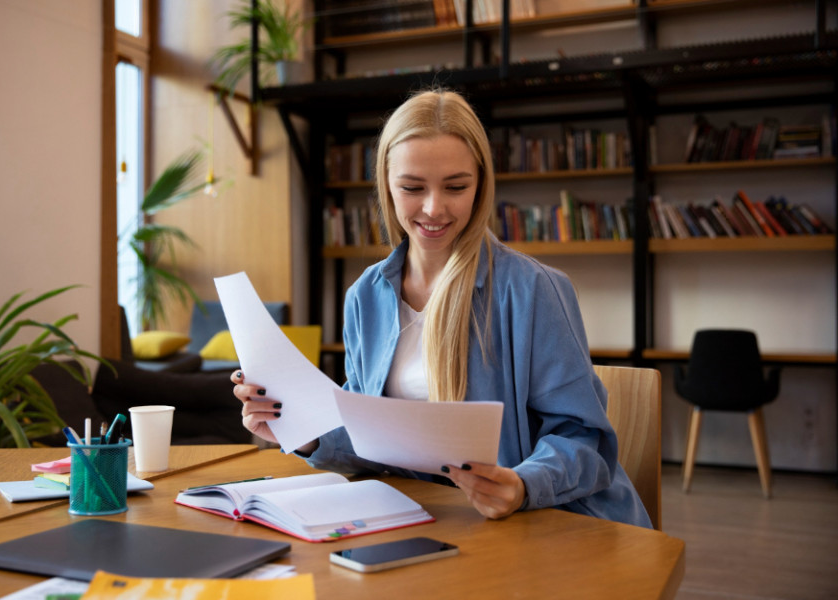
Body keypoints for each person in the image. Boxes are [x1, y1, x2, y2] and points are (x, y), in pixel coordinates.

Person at [232, 88, 652, 528]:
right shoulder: (366, 296)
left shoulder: (533, 290)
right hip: (435, 516)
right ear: (386, 187)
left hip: (549, 523)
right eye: (412, 188)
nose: (434, 208)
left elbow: (584, 439)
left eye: (456, 187)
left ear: (481, 185)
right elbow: (374, 437)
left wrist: (523, 484)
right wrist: (302, 433)